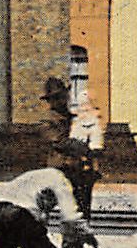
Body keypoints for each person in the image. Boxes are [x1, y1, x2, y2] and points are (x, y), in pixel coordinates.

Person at [42, 75, 101, 227]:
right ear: (49, 101)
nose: (61, 100)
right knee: (67, 209)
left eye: (62, 96)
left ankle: (78, 246)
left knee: (82, 209)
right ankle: (68, 246)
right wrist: (85, 149)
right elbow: (60, 142)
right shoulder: (47, 121)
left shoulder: (75, 117)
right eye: (55, 98)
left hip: (80, 169)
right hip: (61, 169)